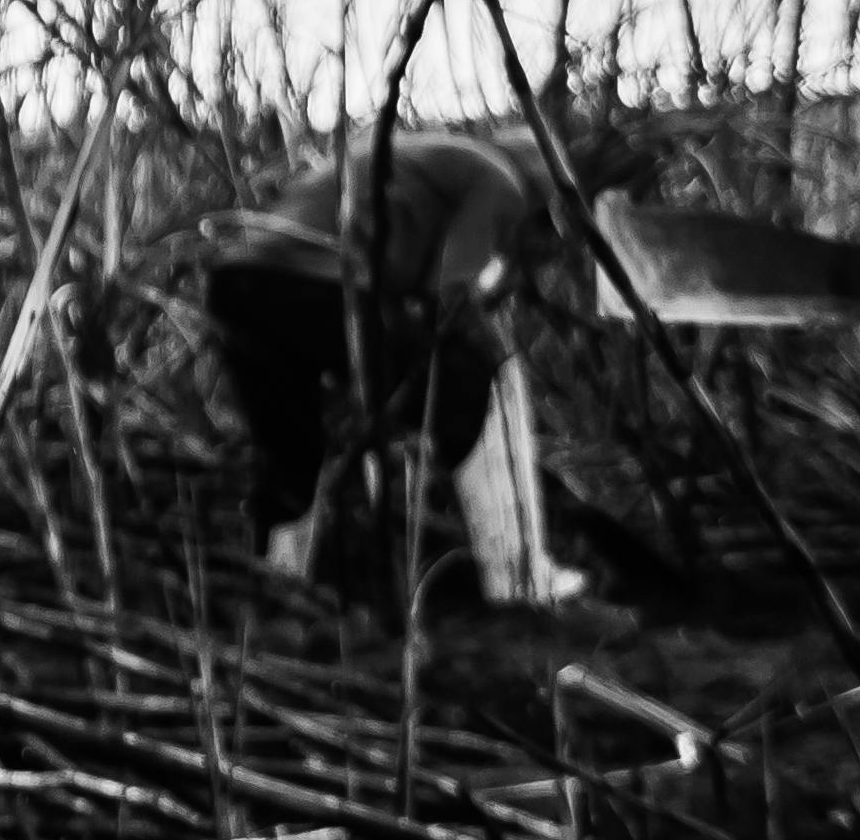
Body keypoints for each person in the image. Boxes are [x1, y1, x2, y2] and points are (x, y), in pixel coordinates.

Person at [193, 124, 592, 609]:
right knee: (481, 380)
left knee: (293, 447)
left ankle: (280, 590)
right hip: (321, 286)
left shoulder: (420, 157)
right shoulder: (503, 178)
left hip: (239, 284)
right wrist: (478, 344)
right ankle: (520, 578)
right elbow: (448, 293)